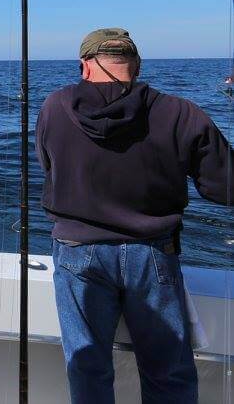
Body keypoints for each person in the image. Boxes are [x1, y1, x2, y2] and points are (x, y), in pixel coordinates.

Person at [37, 27, 234, 403]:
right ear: (137, 66)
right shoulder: (181, 112)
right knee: (168, 373)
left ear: (84, 66)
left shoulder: (53, 107)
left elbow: (49, 165)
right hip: (152, 256)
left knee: (87, 367)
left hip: (78, 254)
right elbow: (223, 188)